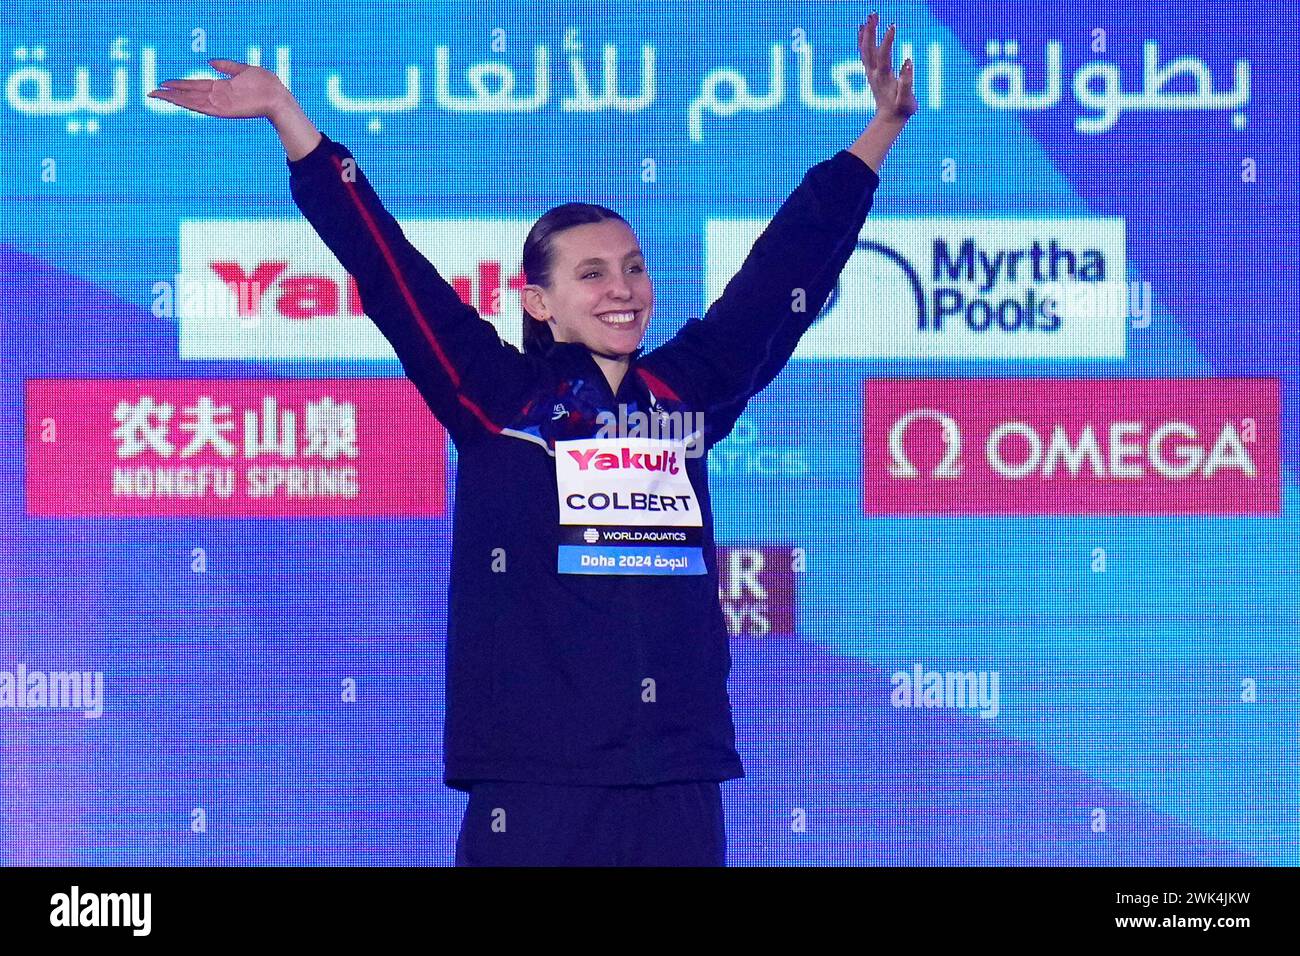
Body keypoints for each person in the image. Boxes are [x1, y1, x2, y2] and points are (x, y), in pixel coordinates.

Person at [150, 12, 915, 866]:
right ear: (540, 302)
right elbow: (391, 272)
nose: (622, 288)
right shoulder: (499, 398)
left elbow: (785, 273)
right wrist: (295, 126)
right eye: (591, 273)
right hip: (535, 786)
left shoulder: (685, 395)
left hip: (679, 777)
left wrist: (876, 136)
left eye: (632, 266)